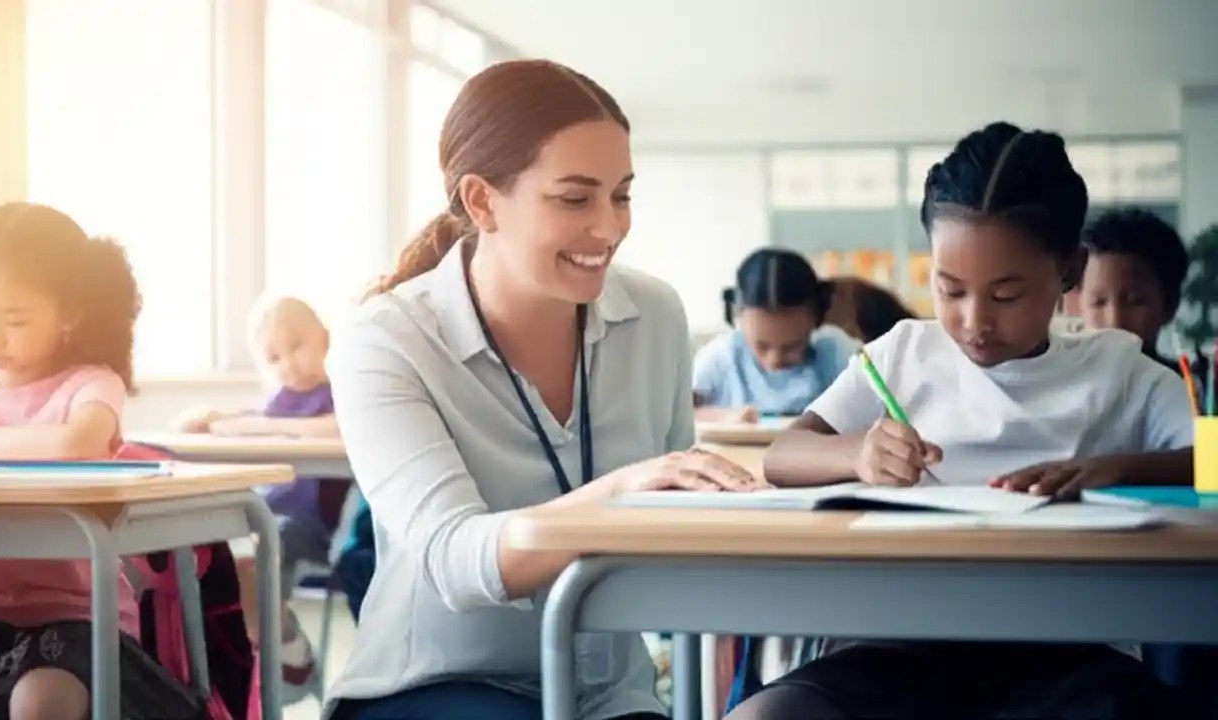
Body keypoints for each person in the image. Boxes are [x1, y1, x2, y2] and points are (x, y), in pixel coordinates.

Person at [325, 59, 759, 720]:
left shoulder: (657, 315)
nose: (610, 227)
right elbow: (455, 560)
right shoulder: (385, 340)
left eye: (622, 195)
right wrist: (620, 492)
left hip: (611, 693)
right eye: (575, 198)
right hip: (438, 687)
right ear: (481, 201)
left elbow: (675, 519)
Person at [733, 122, 1197, 719]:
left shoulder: (1119, 370)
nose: (975, 321)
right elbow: (782, 457)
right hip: (892, 648)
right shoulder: (903, 353)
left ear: (1070, 271)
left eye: (1006, 296)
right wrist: (856, 454)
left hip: (1069, 660)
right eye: (950, 290)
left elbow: (1211, 464)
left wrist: (1112, 469)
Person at [0, 199, 203, 720]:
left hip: (73, 622)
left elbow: (76, 443)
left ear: (70, 313)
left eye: (14, 318)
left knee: (42, 701)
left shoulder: (90, 385)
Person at [172, 294, 344, 702]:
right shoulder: (276, 404)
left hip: (317, 527)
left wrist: (255, 427)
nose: (288, 364)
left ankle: (287, 656)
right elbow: (247, 423)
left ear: (325, 339)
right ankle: (272, 645)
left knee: (268, 544)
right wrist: (210, 420)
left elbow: (335, 430)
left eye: (298, 346)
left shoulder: (340, 395)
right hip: (266, 517)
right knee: (225, 553)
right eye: (273, 357)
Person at [693, 248, 859, 422]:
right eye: (762, 346)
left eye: (792, 346)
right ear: (736, 316)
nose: (775, 360)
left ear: (817, 318)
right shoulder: (722, 356)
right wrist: (724, 416)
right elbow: (683, 413)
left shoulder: (835, 352)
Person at [1077, 208, 1191, 371]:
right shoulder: (1061, 388)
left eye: (1135, 301)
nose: (1115, 322)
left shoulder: (1189, 389)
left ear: (1170, 304)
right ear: (1078, 304)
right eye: (1098, 302)